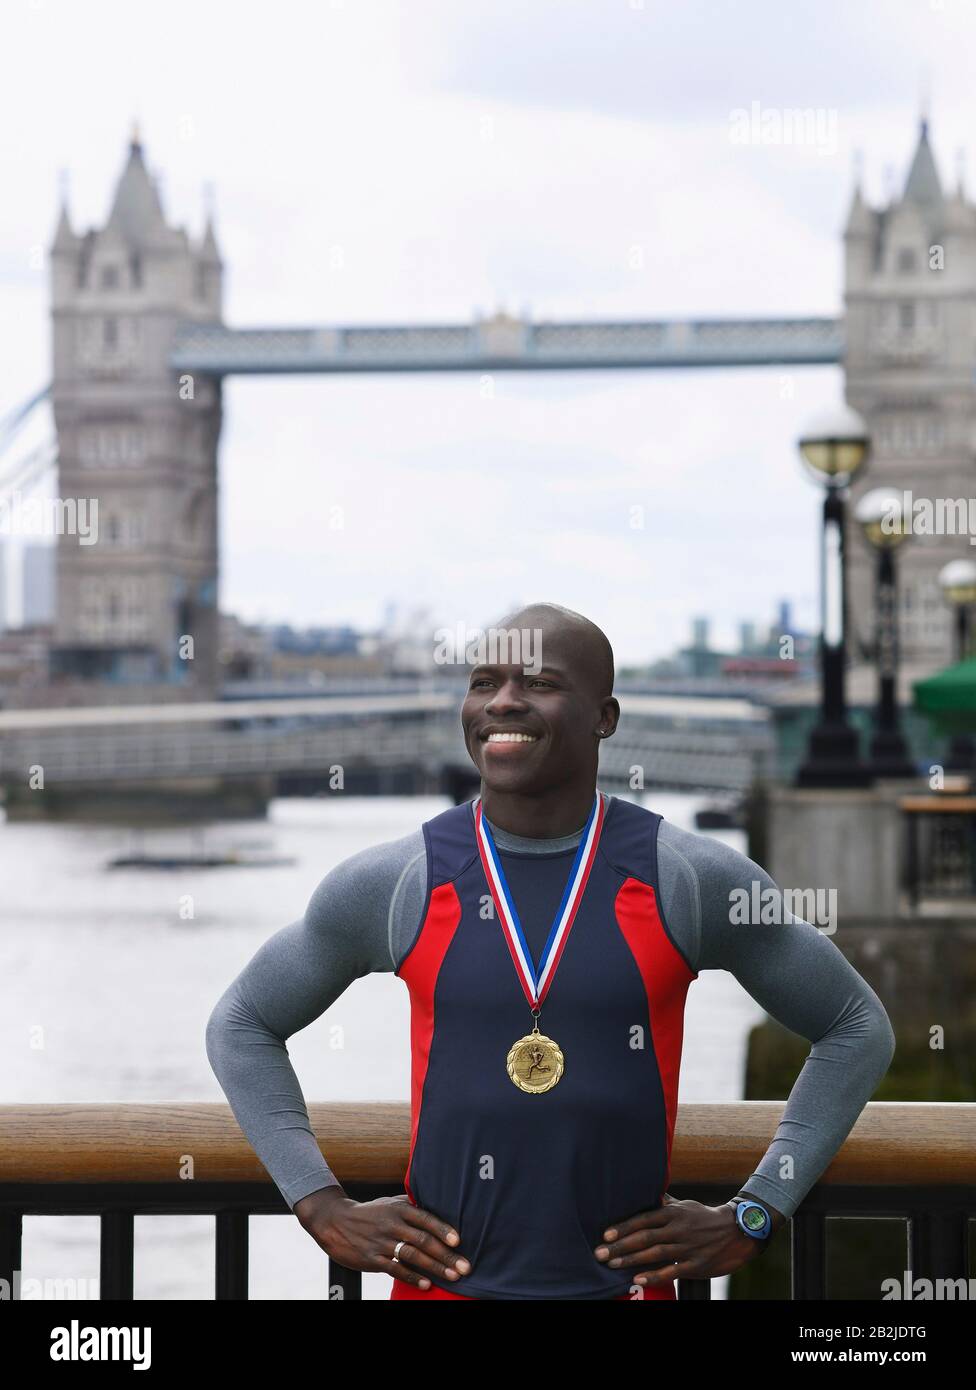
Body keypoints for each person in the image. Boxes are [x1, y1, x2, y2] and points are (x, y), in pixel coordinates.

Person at [206, 602, 895, 1300]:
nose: (502, 701)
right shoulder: (395, 882)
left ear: (605, 716)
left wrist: (755, 1210)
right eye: (484, 682)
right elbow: (242, 1024)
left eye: (538, 682)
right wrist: (319, 1204)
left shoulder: (688, 879)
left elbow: (856, 1028)